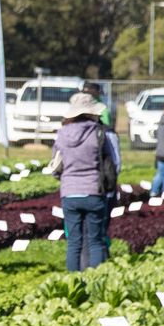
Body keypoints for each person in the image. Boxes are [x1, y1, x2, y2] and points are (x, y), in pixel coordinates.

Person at [51, 90, 119, 272]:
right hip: (93, 192)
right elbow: (111, 162)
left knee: (74, 243)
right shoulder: (97, 133)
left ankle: (73, 281)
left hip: (69, 194)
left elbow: (56, 165)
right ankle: (95, 281)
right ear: (91, 112)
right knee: (95, 241)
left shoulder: (62, 134)